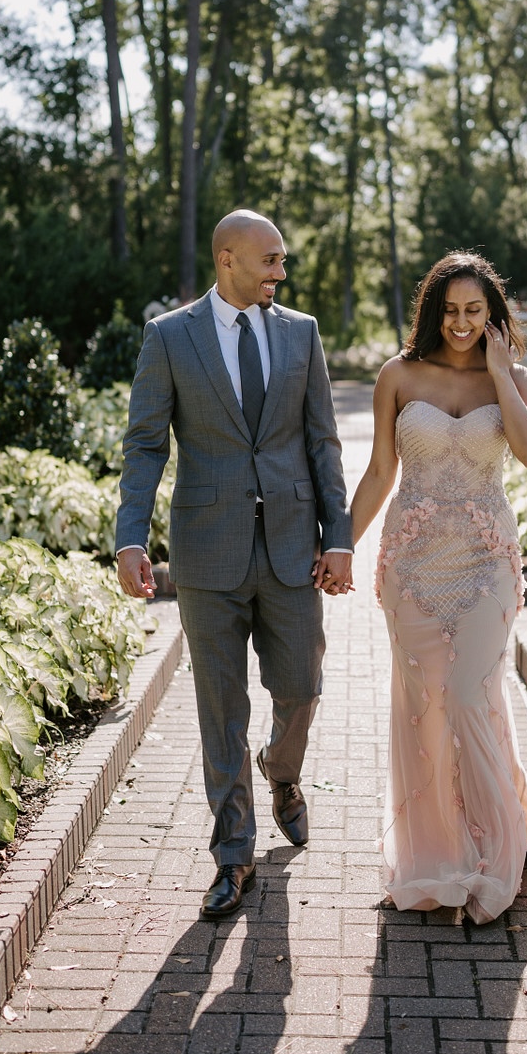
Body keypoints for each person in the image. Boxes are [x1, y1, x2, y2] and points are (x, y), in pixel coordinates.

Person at [116, 211, 354, 920]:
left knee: (302, 688)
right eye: (271, 260)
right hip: (206, 552)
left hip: (292, 549)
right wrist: (132, 538)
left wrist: (337, 535)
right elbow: (145, 446)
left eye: (282, 260)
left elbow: (324, 443)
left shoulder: (301, 333)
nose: (281, 272)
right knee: (221, 710)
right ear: (229, 259)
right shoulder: (169, 337)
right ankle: (234, 854)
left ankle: (282, 772)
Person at [350, 251, 527, 924]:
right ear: (432, 311)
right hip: (412, 567)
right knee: (428, 707)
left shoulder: (517, 377)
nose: (462, 322)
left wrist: (502, 376)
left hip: (486, 565)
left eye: (475, 310)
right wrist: (336, 546)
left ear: (493, 314)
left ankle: (494, 854)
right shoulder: (399, 374)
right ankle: (437, 852)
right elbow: (382, 471)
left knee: (472, 694)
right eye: (451, 310)